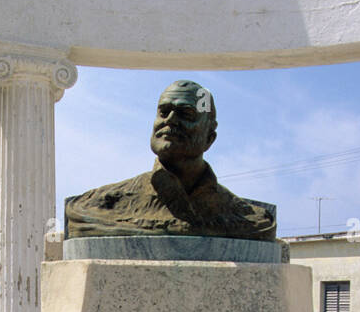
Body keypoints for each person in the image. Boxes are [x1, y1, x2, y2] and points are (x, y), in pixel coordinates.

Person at [64, 80, 276, 241]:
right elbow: (78, 222)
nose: (170, 120)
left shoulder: (250, 217)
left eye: (186, 114)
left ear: (209, 138)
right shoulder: (97, 204)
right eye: (164, 112)